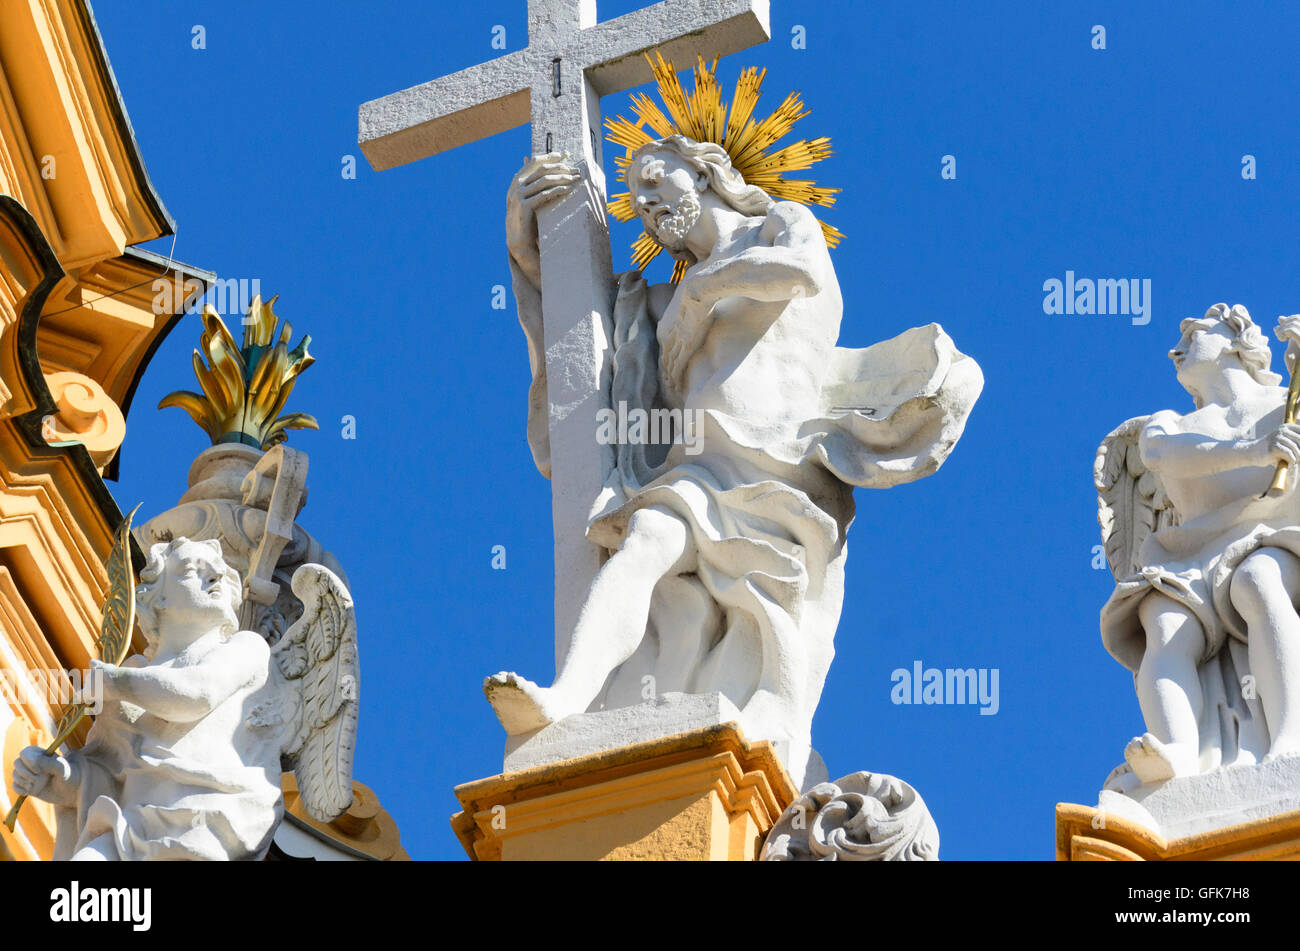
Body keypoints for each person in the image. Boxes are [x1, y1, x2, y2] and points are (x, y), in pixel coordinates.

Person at [1101, 304, 1300, 784]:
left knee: (1258, 579)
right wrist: (1256, 450)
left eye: (1193, 335)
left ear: (1236, 339)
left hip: (1271, 539)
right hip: (1189, 556)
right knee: (1165, 625)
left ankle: (1291, 736)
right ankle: (1179, 753)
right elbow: (1164, 456)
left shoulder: (1285, 403)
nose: (1176, 349)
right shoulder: (1169, 423)